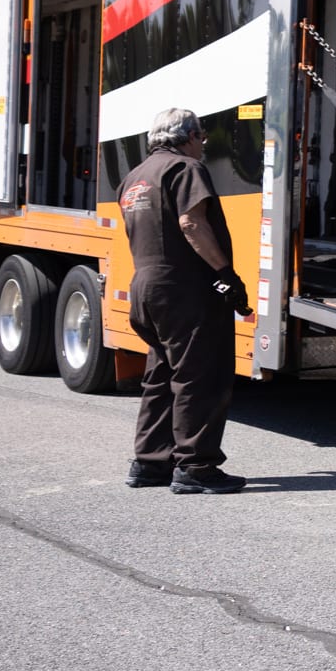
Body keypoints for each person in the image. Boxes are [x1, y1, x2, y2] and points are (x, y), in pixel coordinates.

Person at [118, 106, 251, 493]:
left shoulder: (134, 177)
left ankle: (150, 463)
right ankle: (196, 466)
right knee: (201, 375)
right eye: (202, 136)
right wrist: (226, 274)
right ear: (189, 136)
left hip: (146, 288)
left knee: (161, 375)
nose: (204, 143)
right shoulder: (186, 170)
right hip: (185, 289)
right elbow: (191, 223)